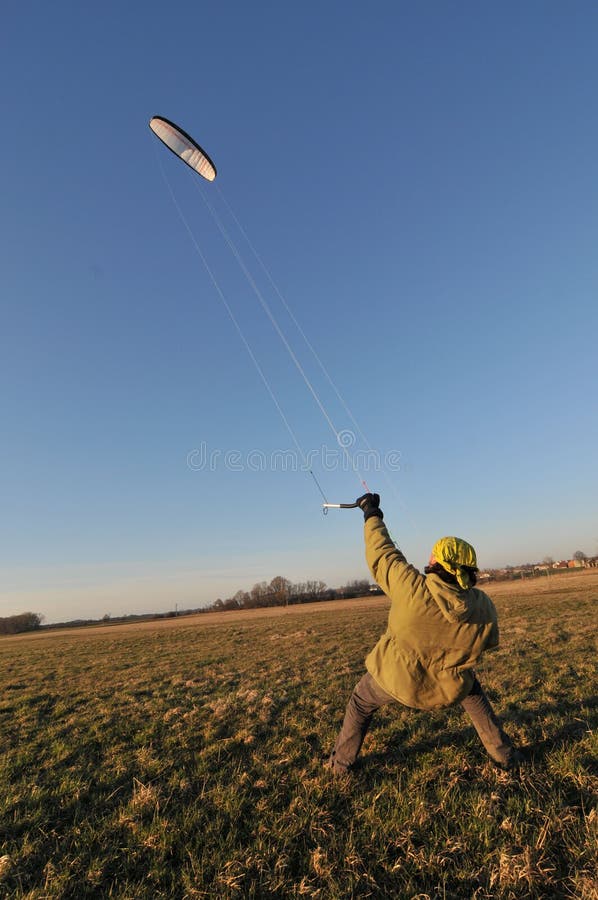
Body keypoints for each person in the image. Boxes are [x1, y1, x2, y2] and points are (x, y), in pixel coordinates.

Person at [328, 493, 523, 775]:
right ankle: (506, 758)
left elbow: (382, 554)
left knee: (360, 703)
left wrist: (371, 513)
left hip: (396, 680)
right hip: (450, 686)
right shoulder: (483, 606)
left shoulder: (411, 587)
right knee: (474, 694)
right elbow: (488, 642)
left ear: (439, 563)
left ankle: (339, 767)